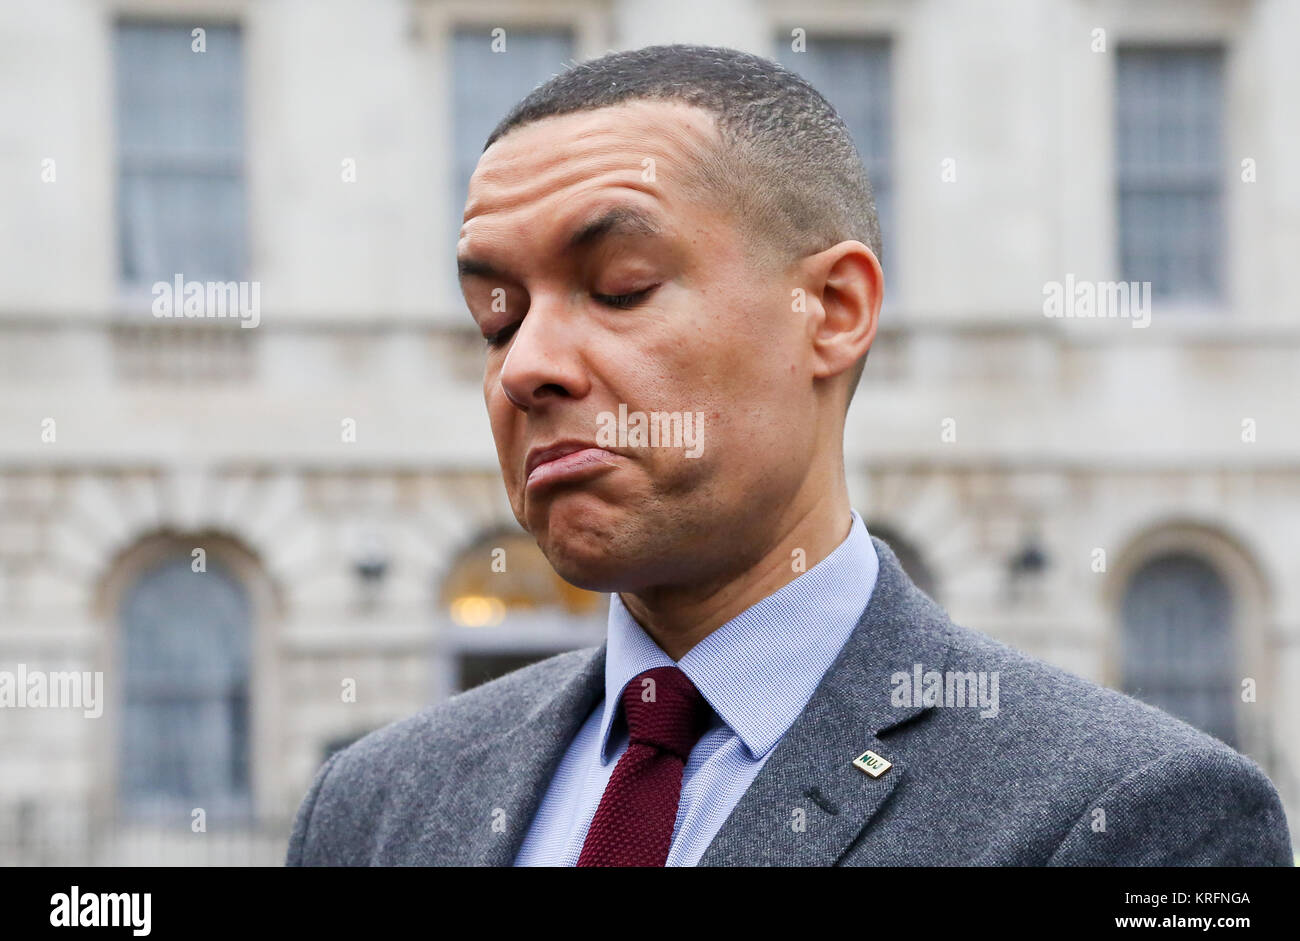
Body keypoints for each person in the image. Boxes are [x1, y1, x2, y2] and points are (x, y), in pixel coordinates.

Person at [287, 44, 1292, 866]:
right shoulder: (373, 805)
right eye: (497, 317)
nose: (527, 368)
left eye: (620, 287)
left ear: (834, 310)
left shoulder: (1138, 817)